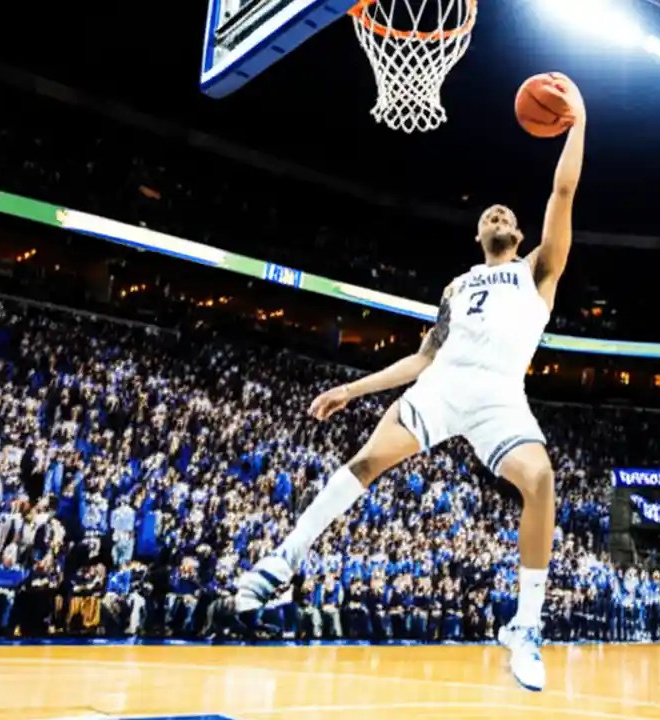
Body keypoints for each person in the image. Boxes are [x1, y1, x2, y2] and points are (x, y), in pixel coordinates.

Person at [233, 79, 587, 692]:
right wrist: (355, 389)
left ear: (520, 235)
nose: (498, 214)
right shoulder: (457, 287)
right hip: (444, 385)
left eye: (506, 214)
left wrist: (579, 120)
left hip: (501, 397)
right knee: (368, 459)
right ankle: (284, 559)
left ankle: (526, 626)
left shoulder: (537, 271)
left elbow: (562, 189)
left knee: (541, 479)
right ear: (479, 238)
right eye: (488, 215)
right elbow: (425, 356)